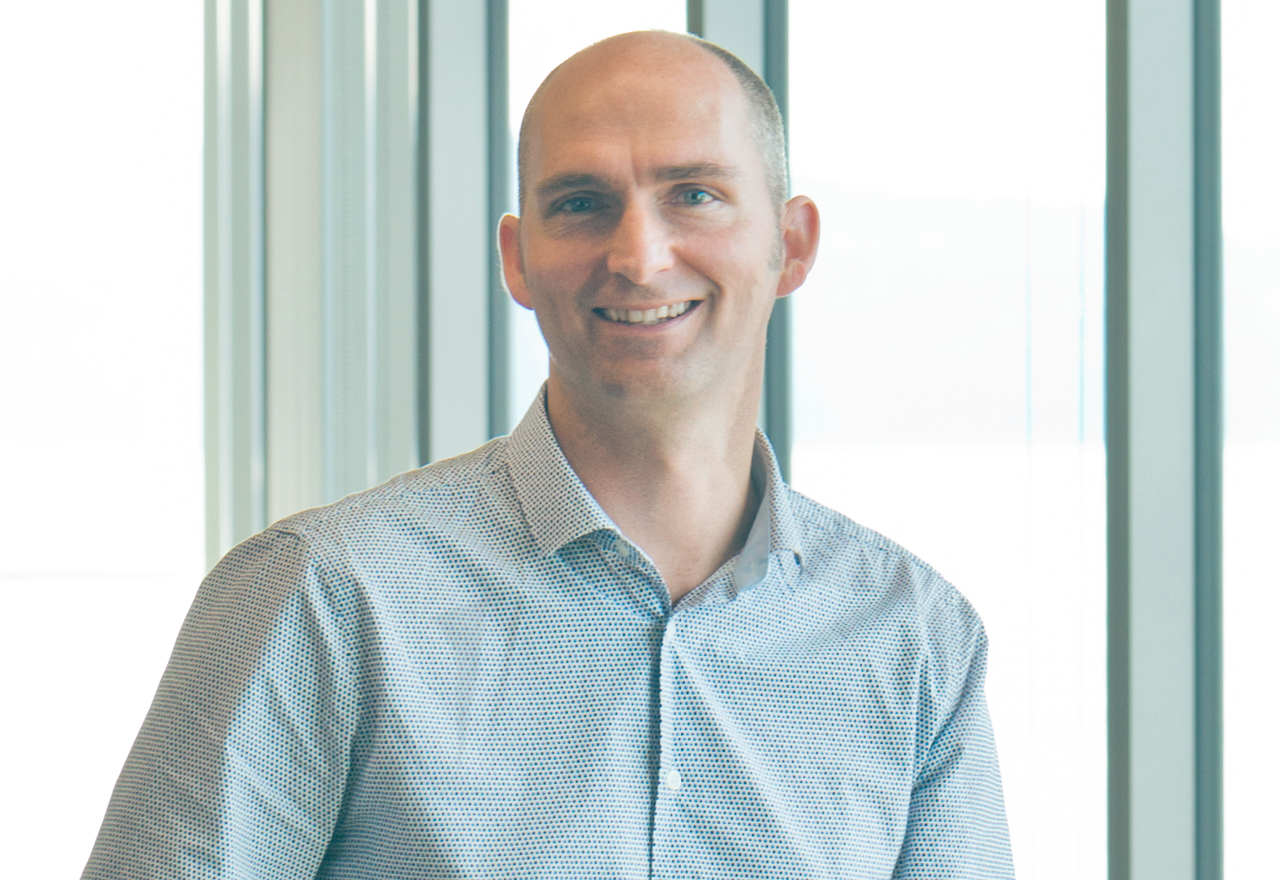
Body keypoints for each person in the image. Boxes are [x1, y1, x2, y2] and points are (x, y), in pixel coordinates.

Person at [83, 31, 1013, 879]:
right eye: (582, 204)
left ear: (792, 243)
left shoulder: (916, 636)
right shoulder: (324, 597)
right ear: (518, 260)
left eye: (694, 193)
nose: (641, 257)